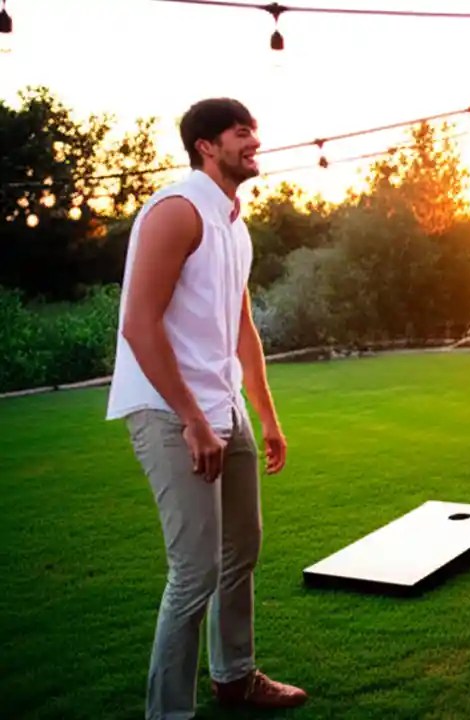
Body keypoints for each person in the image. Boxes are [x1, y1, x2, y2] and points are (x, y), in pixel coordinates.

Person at [105, 99, 307, 718]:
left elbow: (241, 325)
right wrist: (192, 418)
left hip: (224, 407)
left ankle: (235, 677)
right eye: (240, 131)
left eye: (254, 128)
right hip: (170, 410)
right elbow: (139, 326)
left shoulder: (233, 223)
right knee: (194, 571)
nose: (255, 140)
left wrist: (264, 414)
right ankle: (168, 711)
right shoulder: (177, 211)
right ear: (205, 146)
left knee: (241, 549)